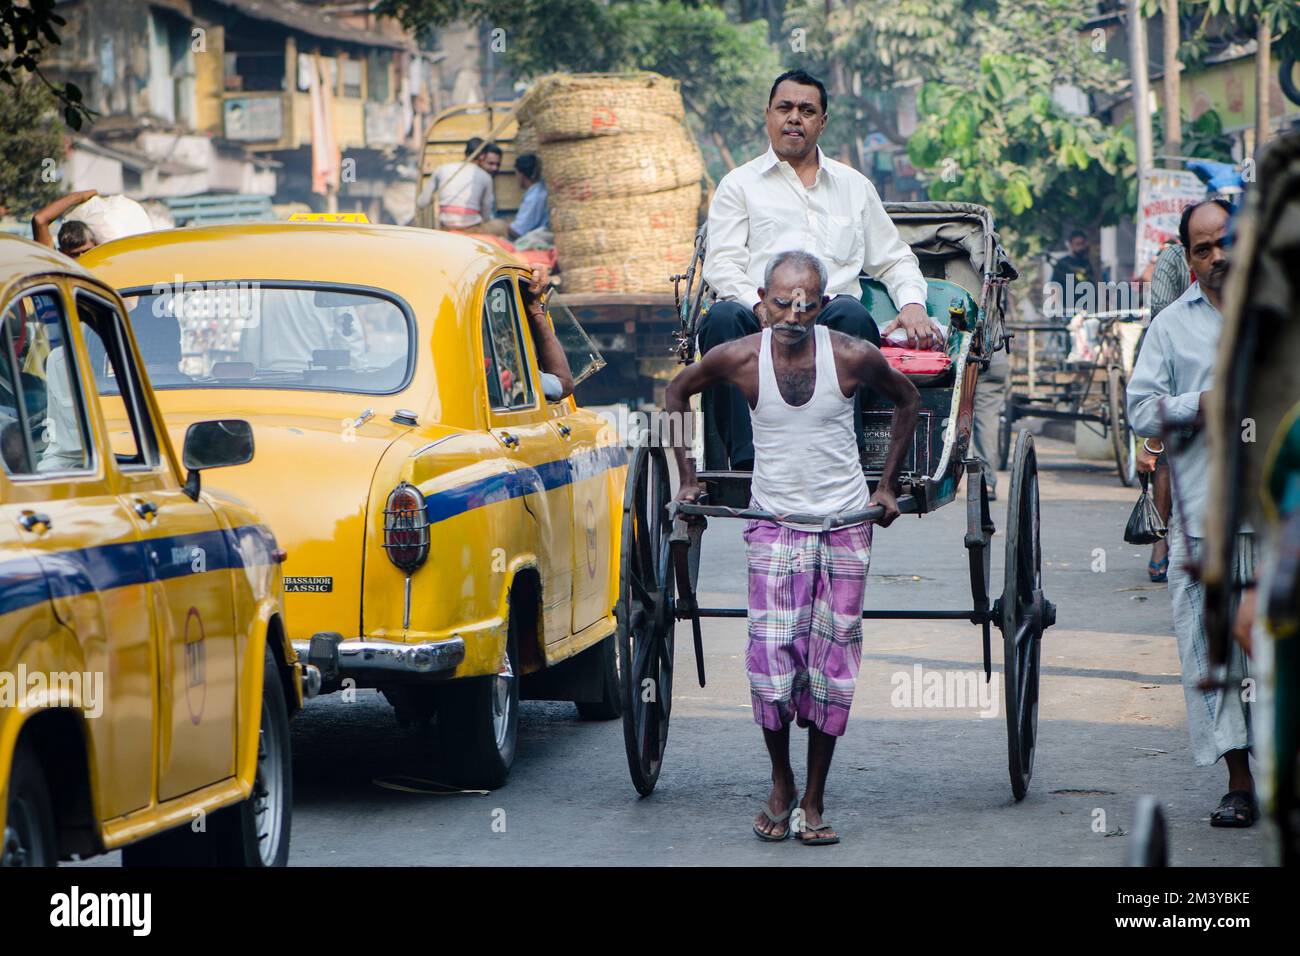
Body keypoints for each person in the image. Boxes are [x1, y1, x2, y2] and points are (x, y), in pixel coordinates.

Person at [666, 250, 920, 845]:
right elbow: (676, 393)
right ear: (762, 301)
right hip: (774, 523)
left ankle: (814, 798)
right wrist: (686, 474)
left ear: (823, 305)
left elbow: (908, 399)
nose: (794, 313)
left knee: (833, 664)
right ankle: (780, 781)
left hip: (845, 524)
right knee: (774, 662)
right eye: (782, 302)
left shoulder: (854, 356)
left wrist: (885, 486)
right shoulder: (740, 357)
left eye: (806, 303)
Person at [700, 68, 940, 471]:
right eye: (785, 108)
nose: (795, 117)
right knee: (722, 318)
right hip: (759, 321)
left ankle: (836, 450)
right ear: (769, 115)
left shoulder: (853, 186)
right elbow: (721, 263)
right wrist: (760, 308)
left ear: (822, 122)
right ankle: (746, 462)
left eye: (807, 110)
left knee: (851, 314)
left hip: (828, 323)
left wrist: (913, 304)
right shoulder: (739, 185)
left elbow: (894, 258)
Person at [1127, 198, 1257, 828]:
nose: (1218, 257)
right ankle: (1239, 782)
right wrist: (1201, 402)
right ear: (1188, 256)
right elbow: (1141, 411)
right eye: (1202, 249)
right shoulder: (1172, 327)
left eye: (1226, 242)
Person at [1136, 238, 1192, 582]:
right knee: (1167, 455)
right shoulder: (1173, 257)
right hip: (1175, 363)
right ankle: (1161, 542)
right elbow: (1159, 310)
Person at [417, 138, 508, 237]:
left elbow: (421, 203)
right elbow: (486, 214)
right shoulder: (485, 177)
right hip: (471, 229)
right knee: (501, 225)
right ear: (482, 156)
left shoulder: (441, 169)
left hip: (445, 227)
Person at [31, 188, 99, 258]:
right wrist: (81, 196)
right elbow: (40, 219)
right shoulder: (56, 263)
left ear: (96, 245)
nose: (82, 257)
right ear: (62, 253)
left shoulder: (104, 257)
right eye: (74, 254)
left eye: (86, 251)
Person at [509, 153, 549, 241]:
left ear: (520, 174)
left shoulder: (535, 196)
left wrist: (500, 226)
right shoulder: (540, 189)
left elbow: (519, 231)